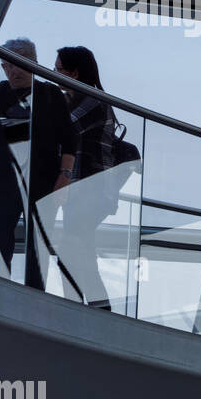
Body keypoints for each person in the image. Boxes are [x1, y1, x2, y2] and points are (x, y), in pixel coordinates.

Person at [0, 38, 78, 290]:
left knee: (38, 249)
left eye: (17, 65)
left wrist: (63, 179)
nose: (12, 71)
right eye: (6, 66)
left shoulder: (49, 94)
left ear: (33, 64)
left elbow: (69, 140)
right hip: (3, 180)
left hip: (42, 181)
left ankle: (34, 304)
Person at [54, 46, 118, 310]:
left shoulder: (93, 100)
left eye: (58, 70)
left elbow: (64, 128)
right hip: (84, 190)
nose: (54, 75)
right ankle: (93, 311)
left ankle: (83, 310)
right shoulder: (79, 100)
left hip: (90, 189)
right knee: (80, 250)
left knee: (73, 249)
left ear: (75, 73)